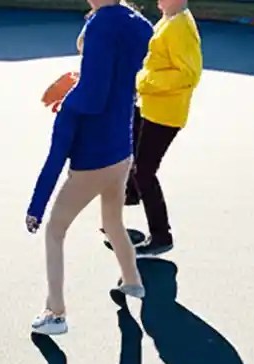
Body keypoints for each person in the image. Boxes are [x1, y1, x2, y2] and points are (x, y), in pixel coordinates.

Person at [25, 0, 154, 337]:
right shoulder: (135, 24)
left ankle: (56, 312)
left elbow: (56, 159)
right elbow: (110, 74)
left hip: (92, 162)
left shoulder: (73, 107)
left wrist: (35, 209)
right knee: (112, 220)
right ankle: (132, 281)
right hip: (122, 153)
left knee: (55, 231)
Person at [118, 0, 203, 258]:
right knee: (132, 156)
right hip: (150, 106)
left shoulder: (179, 26)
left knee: (145, 171)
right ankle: (128, 198)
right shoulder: (168, 19)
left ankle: (161, 236)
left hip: (165, 113)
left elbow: (189, 74)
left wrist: (142, 81)